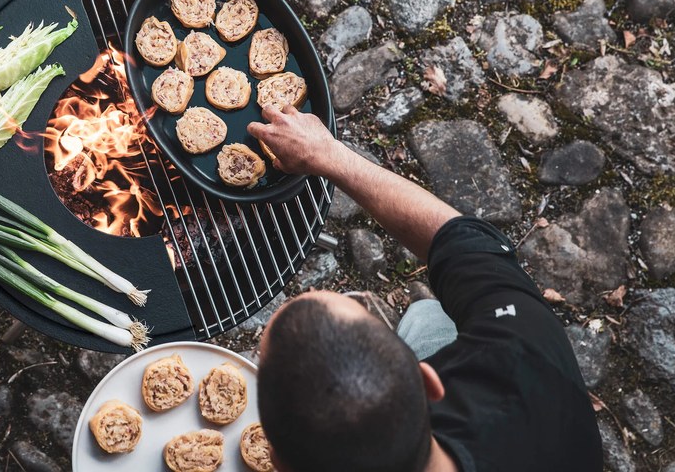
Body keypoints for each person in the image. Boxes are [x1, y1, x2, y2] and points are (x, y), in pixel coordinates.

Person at [247, 105, 603, 472]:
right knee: (427, 316)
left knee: (425, 320)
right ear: (428, 381)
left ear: (275, 462)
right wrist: (329, 154)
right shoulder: (523, 352)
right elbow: (458, 238)